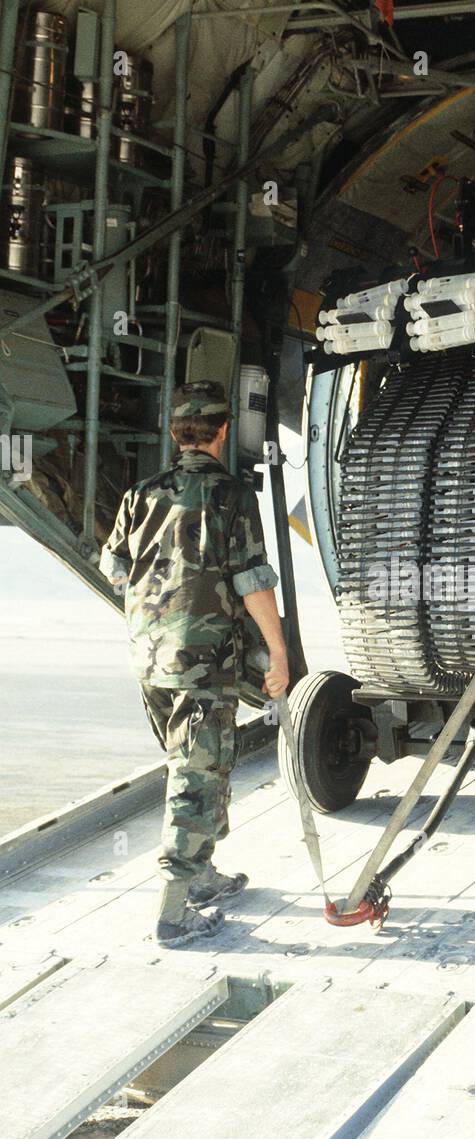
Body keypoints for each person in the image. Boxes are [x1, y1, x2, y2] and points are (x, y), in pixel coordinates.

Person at [99, 380, 290, 948]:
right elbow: (252, 582)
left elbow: (114, 568)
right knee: (195, 776)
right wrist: (278, 651)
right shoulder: (232, 496)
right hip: (202, 663)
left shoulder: (140, 494)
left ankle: (202, 875)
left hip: (150, 658)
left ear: (175, 431)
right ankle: (172, 912)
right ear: (223, 431)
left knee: (196, 767)